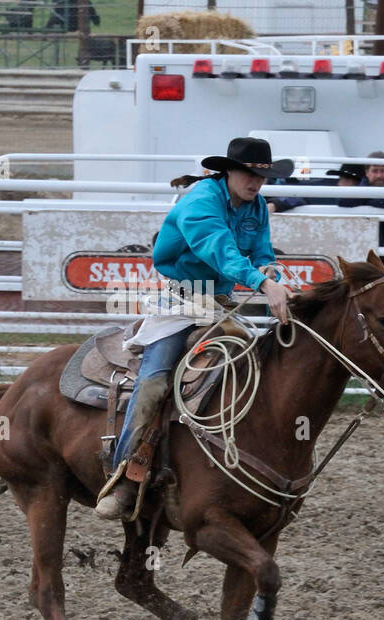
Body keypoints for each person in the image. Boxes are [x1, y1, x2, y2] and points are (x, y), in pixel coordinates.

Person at [94, 136, 295, 520]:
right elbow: (218, 247)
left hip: (219, 304)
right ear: (230, 172)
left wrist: (271, 272)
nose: (256, 183)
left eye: (262, 177)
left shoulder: (255, 208)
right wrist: (262, 283)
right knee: (154, 381)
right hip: (182, 303)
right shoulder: (201, 201)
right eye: (250, 174)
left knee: (258, 368)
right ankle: (124, 476)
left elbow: (263, 251)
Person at [338, 151, 384, 284]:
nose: (379, 175)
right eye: (375, 171)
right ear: (367, 172)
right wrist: (376, 200)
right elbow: (344, 202)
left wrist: (365, 199)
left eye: (383, 171)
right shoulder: (357, 190)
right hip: (363, 260)